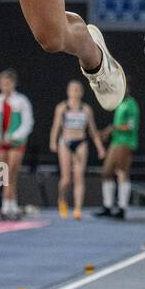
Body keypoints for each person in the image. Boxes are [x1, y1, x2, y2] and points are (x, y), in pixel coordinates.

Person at [49, 80, 105, 220]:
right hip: (66, 142)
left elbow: (92, 130)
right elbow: (56, 127)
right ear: (68, 92)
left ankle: (78, 208)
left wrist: (100, 148)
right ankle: (62, 201)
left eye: (77, 90)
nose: (75, 92)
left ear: (82, 92)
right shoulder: (62, 107)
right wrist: (53, 142)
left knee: (79, 177)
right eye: (72, 90)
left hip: (81, 142)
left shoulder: (86, 109)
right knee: (66, 178)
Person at [0, 70, 34, 220]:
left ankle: (9, 206)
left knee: (12, 174)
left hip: (15, 142)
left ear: (14, 83)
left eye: (8, 83)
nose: (5, 86)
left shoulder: (21, 101)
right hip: (1, 142)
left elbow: (27, 122)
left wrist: (14, 137)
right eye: (3, 83)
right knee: (1, 174)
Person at [95, 83, 140, 220]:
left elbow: (130, 126)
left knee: (122, 172)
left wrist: (112, 128)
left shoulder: (131, 105)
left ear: (128, 88)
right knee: (106, 172)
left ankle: (122, 207)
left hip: (126, 143)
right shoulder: (120, 104)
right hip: (116, 142)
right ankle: (108, 206)